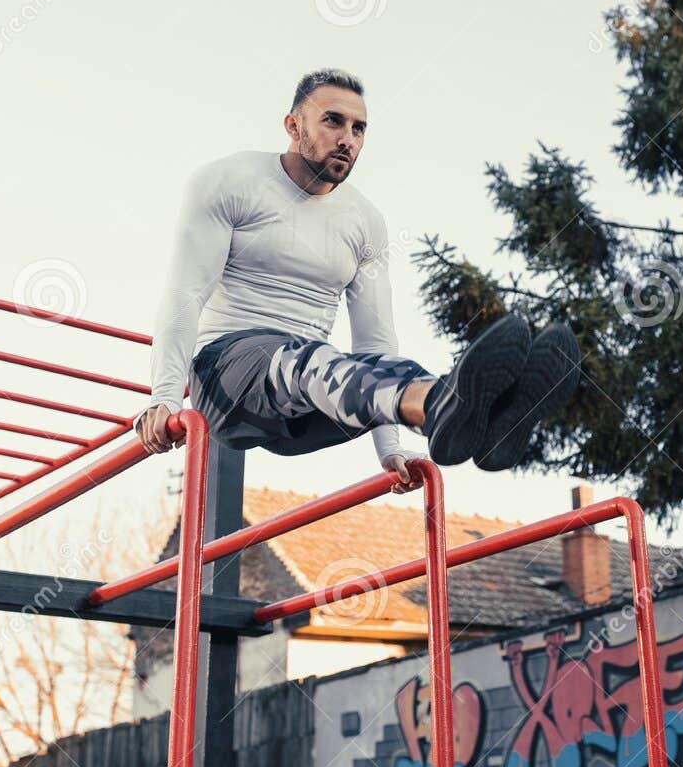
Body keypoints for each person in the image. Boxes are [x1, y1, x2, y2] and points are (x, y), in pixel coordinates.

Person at [134, 67, 579, 489]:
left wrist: (390, 449)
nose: (347, 139)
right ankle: (439, 404)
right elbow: (185, 295)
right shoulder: (230, 181)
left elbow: (375, 341)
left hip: (308, 405)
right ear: (293, 125)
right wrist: (165, 398)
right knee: (309, 360)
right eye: (333, 122)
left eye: (358, 128)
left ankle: (491, 426)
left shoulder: (365, 220)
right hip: (229, 378)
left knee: (377, 367)